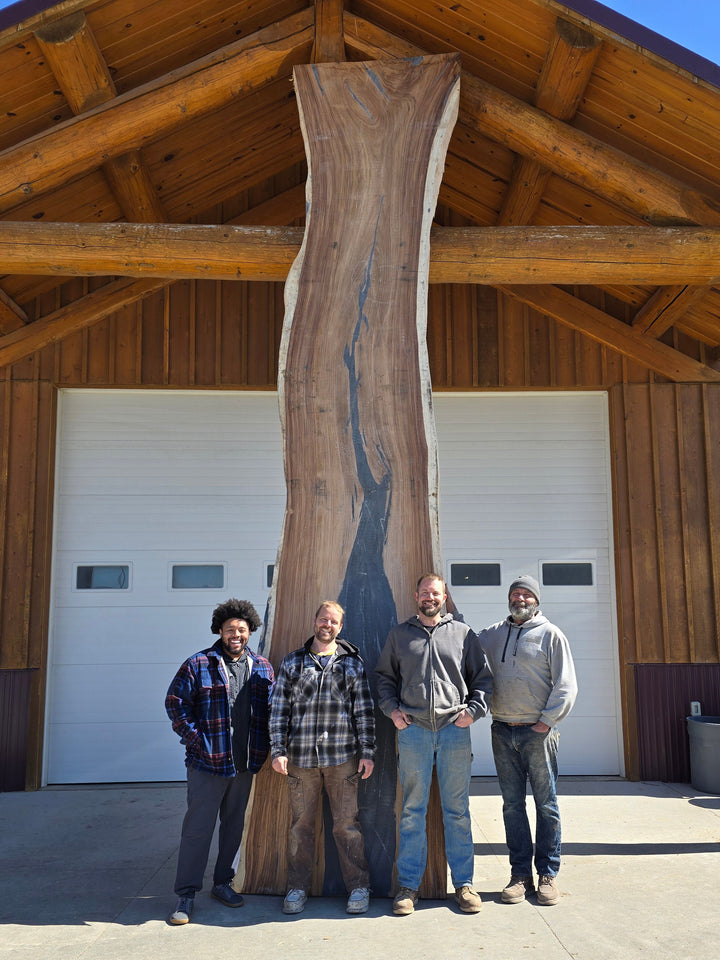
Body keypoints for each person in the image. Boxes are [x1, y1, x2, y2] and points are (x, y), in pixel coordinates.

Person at [374, 573, 492, 916]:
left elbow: (482, 678)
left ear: (444, 597)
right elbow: (384, 679)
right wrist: (393, 712)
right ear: (416, 595)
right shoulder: (399, 635)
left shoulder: (463, 634)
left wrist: (474, 711)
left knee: (457, 811)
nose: (430, 597)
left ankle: (465, 885)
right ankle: (408, 887)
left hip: (455, 729)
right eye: (425, 592)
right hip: (413, 732)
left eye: (435, 592)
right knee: (412, 810)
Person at [165, 598, 274, 925]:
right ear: (220, 631)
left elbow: (270, 712)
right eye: (230, 630)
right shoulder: (198, 664)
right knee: (198, 829)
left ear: (250, 630)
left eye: (242, 629)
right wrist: (198, 740)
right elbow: (175, 704)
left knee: (233, 827)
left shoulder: (263, 667)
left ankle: (223, 883)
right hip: (207, 765)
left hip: (245, 763)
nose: (236, 635)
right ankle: (186, 894)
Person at [270, 600, 376, 916]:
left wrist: (367, 752)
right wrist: (277, 750)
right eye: (322, 619)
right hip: (300, 760)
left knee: (346, 826)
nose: (327, 625)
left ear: (340, 627)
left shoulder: (352, 664)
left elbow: (364, 711)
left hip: (342, 758)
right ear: (314, 621)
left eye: (333, 621)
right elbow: (278, 710)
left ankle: (358, 887)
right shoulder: (292, 663)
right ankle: (297, 889)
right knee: (300, 827)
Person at [478, 575, 577, 907]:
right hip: (502, 730)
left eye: (526, 594)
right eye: (514, 594)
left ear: (537, 601)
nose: (519, 599)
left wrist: (545, 722)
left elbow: (566, 686)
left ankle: (547, 875)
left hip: (538, 733)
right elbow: (462, 639)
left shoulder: (551, 635)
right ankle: (520, 875)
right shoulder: (492, 635)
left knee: (546, 805)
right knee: (511, 806)